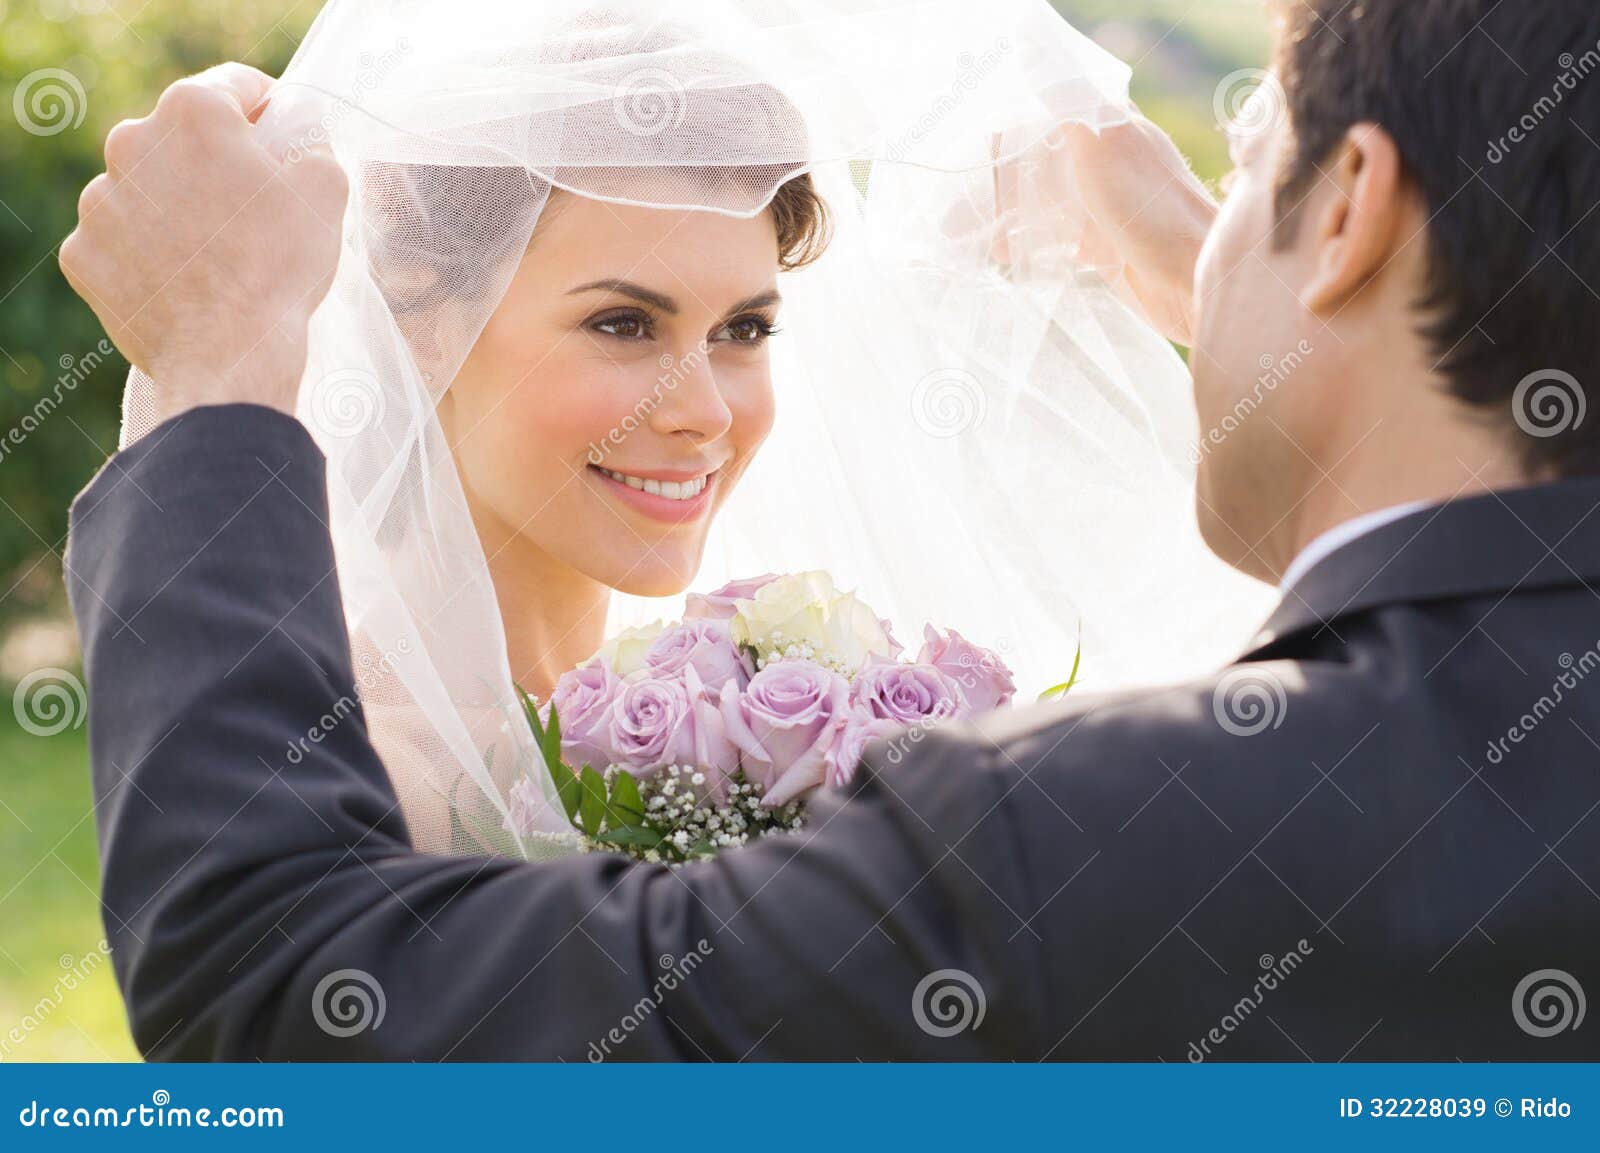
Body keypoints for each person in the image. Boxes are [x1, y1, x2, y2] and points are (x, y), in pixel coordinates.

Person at [60, 0, 1598, 1059]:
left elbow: (302, 1005)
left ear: (1347, 220)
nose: (703, 404)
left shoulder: (1083, 831)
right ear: (414, 317)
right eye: (620, 321)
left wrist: (213, 370)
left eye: (747, 325)